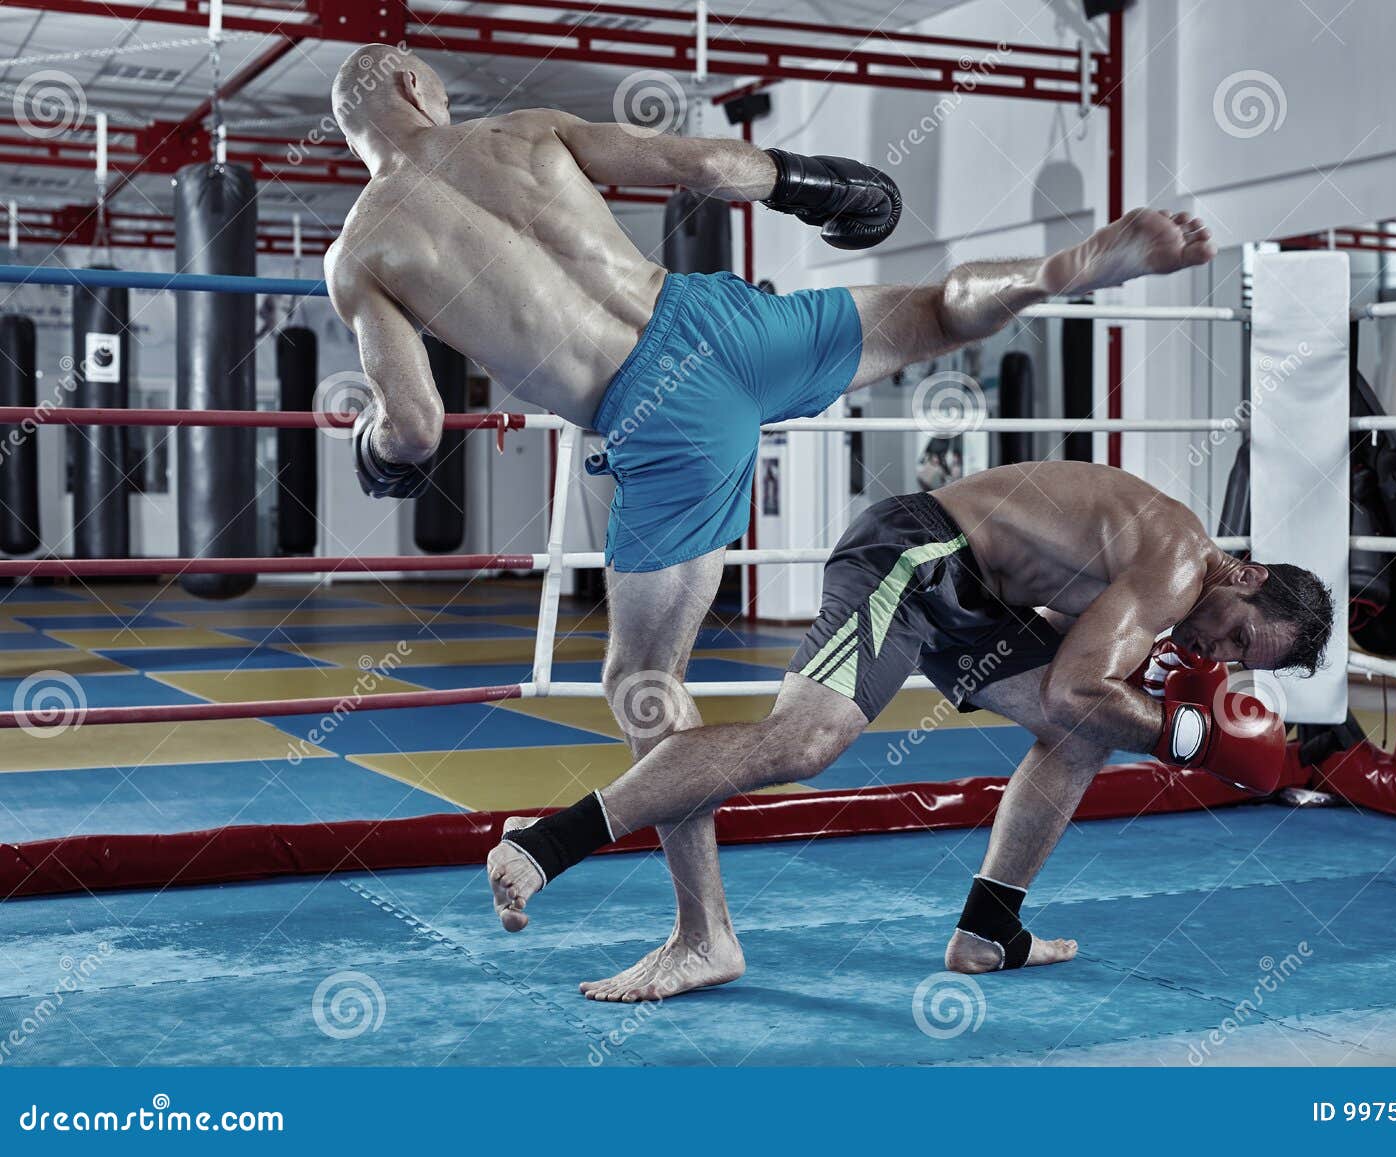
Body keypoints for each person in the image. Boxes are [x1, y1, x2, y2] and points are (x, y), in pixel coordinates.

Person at [323, 44, 1217, 999]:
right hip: (721, 325)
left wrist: (374, 449)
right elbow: (710, 164)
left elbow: (416, 428)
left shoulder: (360, 252)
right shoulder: (522, 132)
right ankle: (1055, 271)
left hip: (660, 417)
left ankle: (702, 933)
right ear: (414, 87)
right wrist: (807, 183)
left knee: (641, 680)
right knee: (934, 312)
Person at [487, 461, 1335, 1001]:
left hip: (975, 594)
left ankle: (988, 929)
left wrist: (1146, 706)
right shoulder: (1179, 562)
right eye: (1237, 635)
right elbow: (1079, 684)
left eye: (1237, 659)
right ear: (1247, 575)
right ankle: (545, 841)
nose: (1218, 655)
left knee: (1081, 735)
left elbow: (1068, 660)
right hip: (916, 552)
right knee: (807, 742)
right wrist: (1196, 740)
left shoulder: (1171, 580)